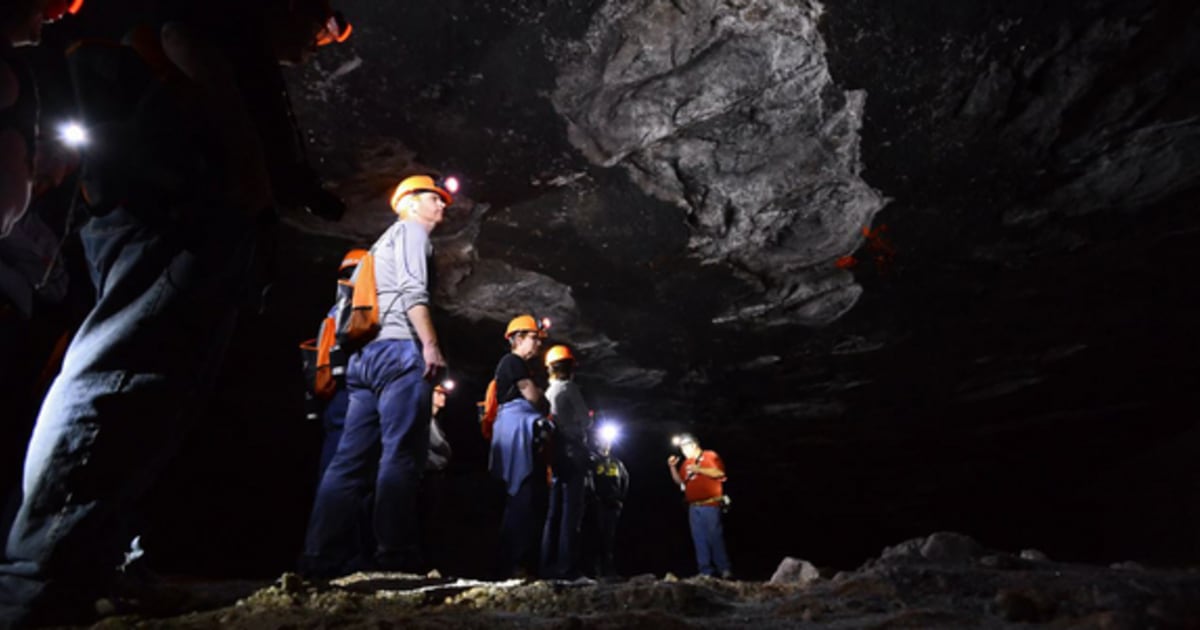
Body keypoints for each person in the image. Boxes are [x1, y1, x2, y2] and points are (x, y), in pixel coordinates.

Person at [0, 2, 347, 626]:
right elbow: (184, 38)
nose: (327, 38)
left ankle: (96, 563)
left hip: (182, 217)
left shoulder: (240, 50)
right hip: (177, 216)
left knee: (154, 395)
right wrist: (252, 178)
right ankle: (37, 579)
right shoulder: (219, 24)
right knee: (124, 375)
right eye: (327, 20)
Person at [301, 174, 451, 578]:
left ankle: (320, 557)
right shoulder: (412, 232)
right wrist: (430, 346)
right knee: (402, 454)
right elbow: (412, 292)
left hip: (364, 359)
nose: (442, 206)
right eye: (434, 199)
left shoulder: (381, 242)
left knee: (349, 462)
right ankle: (396, 554)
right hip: (399, 350)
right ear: (409, 202)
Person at [488, 314, 550, 578]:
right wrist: (545, 405)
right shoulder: (512, 362)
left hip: (521, 431)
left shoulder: (522, 367)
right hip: (517, 432)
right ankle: (514, 563)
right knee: (521, 495)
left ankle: (520, 562)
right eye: (534, 338)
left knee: (526, 497)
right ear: (519, 338)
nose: (538, 344)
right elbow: (534, 397)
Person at [539, 344, 592, 579]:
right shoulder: (570, 388)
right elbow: (585, 421)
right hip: (573, 451)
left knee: (554, 512)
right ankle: (567, 567)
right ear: (570, 367)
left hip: (556, 452)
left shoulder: (547, 393)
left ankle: (547, 564)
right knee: (572, 511)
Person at [667, 433, 732, 579]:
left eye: (684, 447)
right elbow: (680, 482)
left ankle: (724, 568)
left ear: (693, 445)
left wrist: (699, 469)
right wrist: (672, 467)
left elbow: (719, 472)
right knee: (699, 538)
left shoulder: (709, 455)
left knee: (715, 536)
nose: (683, 450)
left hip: (710, 504)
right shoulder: (686, 463)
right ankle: (705, 571)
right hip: (693, 507)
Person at [590, 424, 628, 579]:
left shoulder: (617, 463)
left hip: (613, 505)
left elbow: (625, 480)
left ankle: (609, 570)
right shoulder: (592, 460)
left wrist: (620, 499)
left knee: (609, 538)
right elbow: (588, 480)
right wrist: (592, 498)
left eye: (608, 442)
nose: (606, 444)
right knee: (595, 537)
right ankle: (595, 571)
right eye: (603, 441)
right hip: (597, 504)